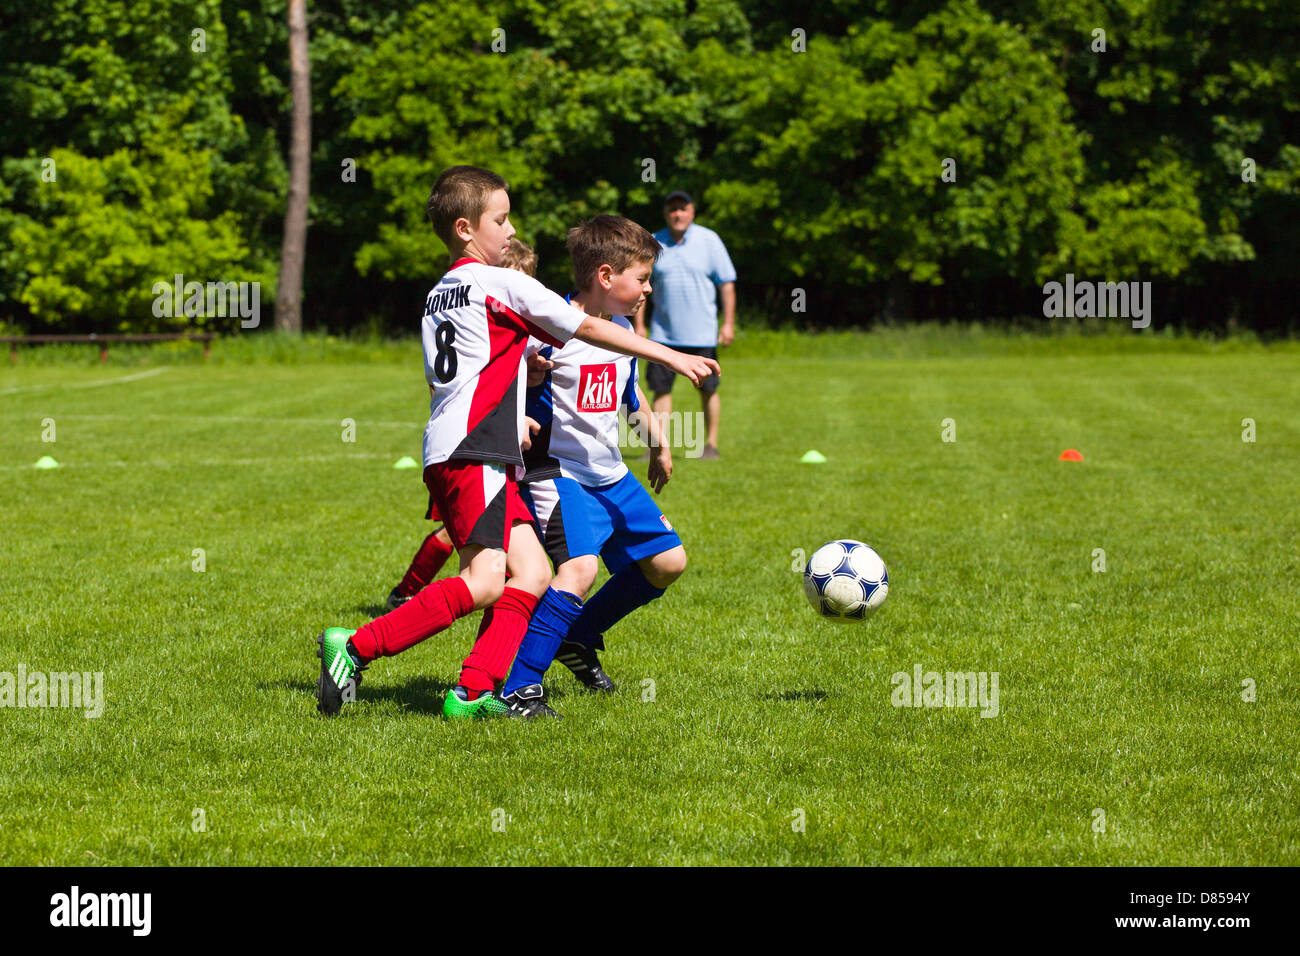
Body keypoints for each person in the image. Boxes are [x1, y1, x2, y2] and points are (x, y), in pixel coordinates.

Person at [314, 166, 718, 720]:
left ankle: (478, 691)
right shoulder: (496, 283)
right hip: (473, 450)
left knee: (530, 574)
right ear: (464, 228)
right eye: (500, 220)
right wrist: (672, 356)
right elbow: (588, 328)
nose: (510, 232)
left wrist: (517, 399)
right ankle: (357, 646)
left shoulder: (440, 293)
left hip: (470, 448)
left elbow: (475, 368)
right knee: (483, 581)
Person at [497, 215, 686, 717]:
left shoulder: (622, 330)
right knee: (578, 570)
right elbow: (506, 378)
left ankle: (575, 636)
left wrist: (657, 445)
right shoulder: (549, 325)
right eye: (641, 279)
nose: (647, 289)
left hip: (611, 473)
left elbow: (629, 397)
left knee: (668, 563)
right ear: (606, 277)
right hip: (560, 474)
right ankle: (519, 686)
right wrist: (530, 379)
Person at [384, 238, 539, 611]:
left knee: (525, 562)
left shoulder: (468, 302)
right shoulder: (485, 310)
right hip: (474, 442)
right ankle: (406, 593)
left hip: (469, 441)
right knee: (461, 543)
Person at [635, 190, 736, 459]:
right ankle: (657, 446)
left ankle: (711, 445)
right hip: (663, 333)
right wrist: (640, 325)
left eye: (683, 208)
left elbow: (726, 283)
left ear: (692, 212)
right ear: (666, 213)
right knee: (660, 390)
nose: (677, 214)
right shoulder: (654, 242)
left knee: (708, 390)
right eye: (672, 209)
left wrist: (728, 323)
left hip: (702, 334)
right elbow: (642, 285)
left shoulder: (709, 241)